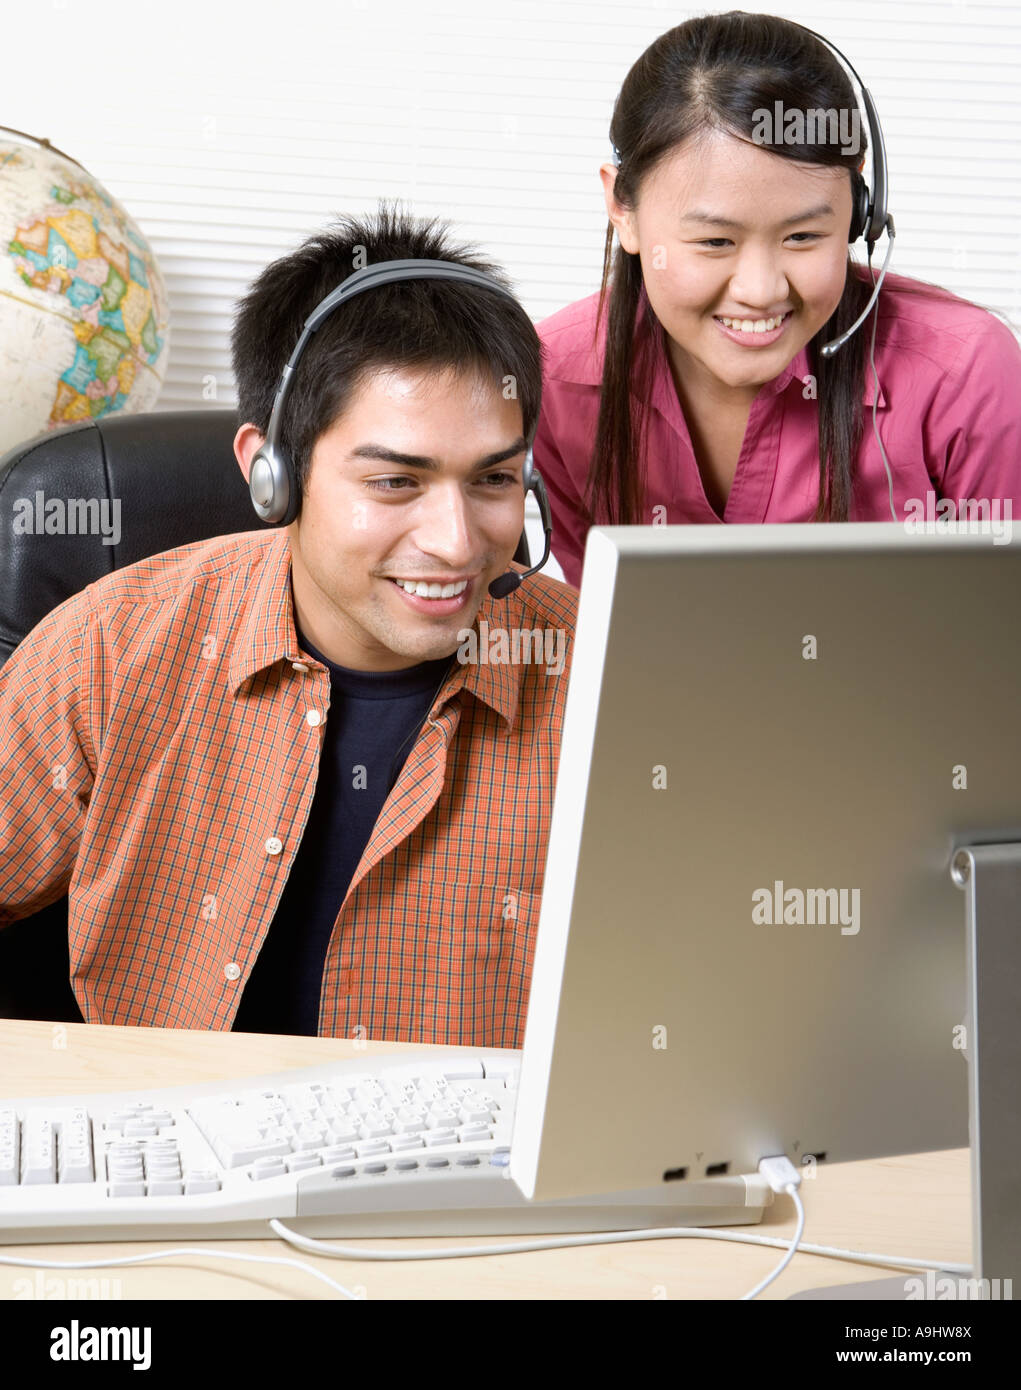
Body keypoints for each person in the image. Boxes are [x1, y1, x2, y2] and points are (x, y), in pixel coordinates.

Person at [0, 204, 577, 1046]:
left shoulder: (612, 679)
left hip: (467, 1173)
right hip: (170, 1152)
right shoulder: (109, 648)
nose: (457, 542)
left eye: (493, 480)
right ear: (269, 475)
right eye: (395, 483)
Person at [533, 12, 1021, 590]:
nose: (761, 290)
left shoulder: (967, 375)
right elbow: (606, 636)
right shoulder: (555, 379)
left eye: (803, 237)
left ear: (859, 208)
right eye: (715, 241)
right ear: (623, 209)